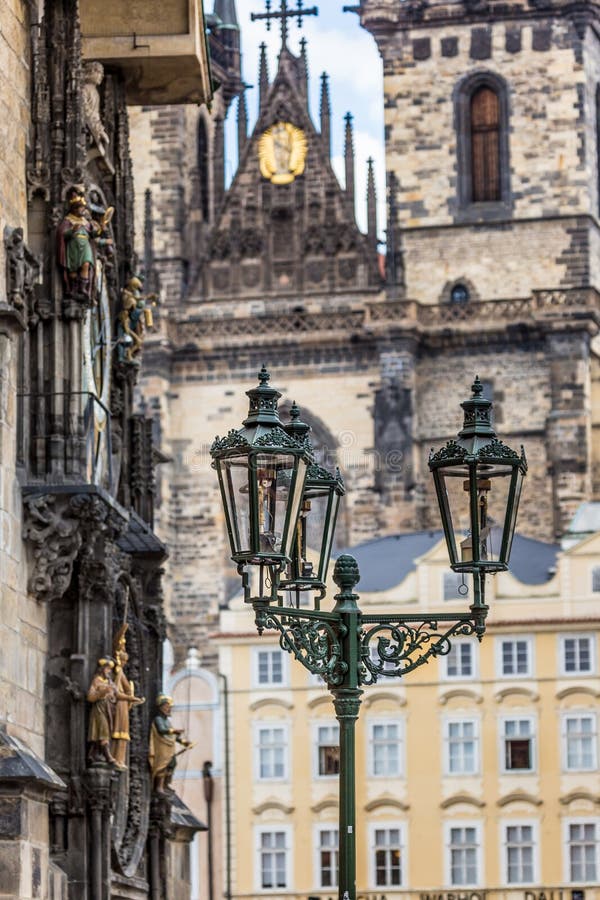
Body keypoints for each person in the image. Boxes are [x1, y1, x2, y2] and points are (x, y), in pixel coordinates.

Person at [110, 625, 145, 769]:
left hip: (123, 705)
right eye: (123, 661)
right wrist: (132, 698)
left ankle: (120, 759)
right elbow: (116, 692)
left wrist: (132, 696)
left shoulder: (121, 672)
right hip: (120, 705)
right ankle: (115, 758)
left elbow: (126, 689)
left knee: (124, 734)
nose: (124, 663)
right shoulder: (117, 672)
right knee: (118, 733)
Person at [148, 694, 191, 794]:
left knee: (172, 764)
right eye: (167, 707)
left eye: (169, 707)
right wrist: (174, 731)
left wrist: (184, 742)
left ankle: (165, 784)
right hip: (161, 747)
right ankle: (159, 786)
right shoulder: (158, 719)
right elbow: (162, 730)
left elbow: (173, 737)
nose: (169, 709)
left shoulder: (166, 721)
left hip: (169, 747)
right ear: (161, 707)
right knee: (162, 766)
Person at [87, 658, 118, 766]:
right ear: (102, 669)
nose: (109, 671)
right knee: (103, 731)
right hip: (99, 709)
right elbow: (90, 697)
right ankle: (108, 756)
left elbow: (116, 695)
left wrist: (129, 698)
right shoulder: (97, 680)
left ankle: (92, 754)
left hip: (108, 710)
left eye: (110, 669)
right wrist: (103, 692)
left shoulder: (109, 682)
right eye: (107, 669)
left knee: (101, 733)